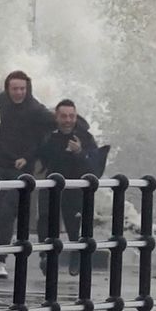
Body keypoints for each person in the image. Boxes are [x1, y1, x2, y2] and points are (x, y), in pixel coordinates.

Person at [0, 70, 55, 271]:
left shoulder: (36, 109)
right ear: (8, 89)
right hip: (0, 164)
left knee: (7, 211)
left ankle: (1, 260)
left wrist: (29, 157)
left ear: (28, 88)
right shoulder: (4, 100)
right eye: (15, 89)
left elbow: (50, 134)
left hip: (22, 170)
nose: (19, 93)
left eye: (22, 89)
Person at [33, 99, 98, 244]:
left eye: (71, 116)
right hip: (52, 183)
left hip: (76, 187)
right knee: (45, 221)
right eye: (63, 116)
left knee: (76, 231)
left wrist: (79, 152)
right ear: (56, 117)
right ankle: (46, 254)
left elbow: (94, 167)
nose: (68, 120)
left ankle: (76, 258)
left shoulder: (85, 137)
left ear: (76, 117)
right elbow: (39, 154)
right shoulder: (48, 135)